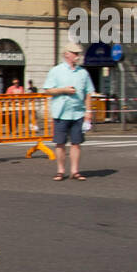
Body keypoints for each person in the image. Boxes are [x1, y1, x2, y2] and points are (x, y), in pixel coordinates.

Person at [41, 44, 94, 181]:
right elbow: (48, 90)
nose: (77, 56)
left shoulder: (83, 73)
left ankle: (75, 171)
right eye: (75, 53)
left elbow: (88, 92)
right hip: (61, 112)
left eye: (78, 54)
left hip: (77, 113)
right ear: (67, 54)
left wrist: (88, 111)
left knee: (76, 143)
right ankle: (60, 171)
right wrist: (63, 90)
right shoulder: (56, 71)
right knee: (60, 143)